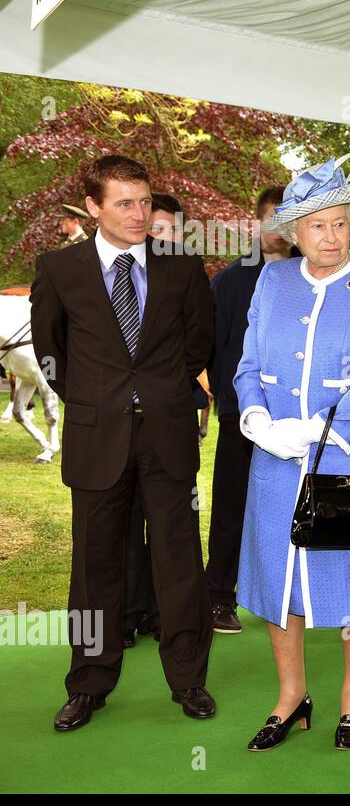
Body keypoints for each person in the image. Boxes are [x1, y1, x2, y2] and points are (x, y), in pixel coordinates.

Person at [31, 154, 216, 731]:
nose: (140, 214)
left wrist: (155, 393)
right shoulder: (59, 270)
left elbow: (198, 346)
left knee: (179, 560)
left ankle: (188, 681)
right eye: (124, 203)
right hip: (96, 438)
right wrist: (97, 402)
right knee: (95, 566)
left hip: (166, 434)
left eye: (144, 201)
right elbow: (50, 352)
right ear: (93, 207)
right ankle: (88, 684)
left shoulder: (182, 268)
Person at [234, 155, 350, 751]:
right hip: (276, 461)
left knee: (349, 576)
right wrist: (256, 418)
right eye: (317, 226)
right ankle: (291, 696)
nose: (330, 237)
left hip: (347, 456)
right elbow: (249, 364)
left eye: (339, 223)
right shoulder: (273, 280)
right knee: (282, 582)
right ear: (293, 231)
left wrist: (317, 426)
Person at [205, 186, 291, 635]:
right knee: (231, 508)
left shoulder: (312, 276)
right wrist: (231, 401)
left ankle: (287, 598)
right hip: (241, 418)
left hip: (298, 422)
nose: (281, 227)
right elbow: (213, 349)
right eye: (273, 218)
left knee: (292, 509)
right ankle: (219, 597)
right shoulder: (230, 281)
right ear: (256, 224)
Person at [121, 192, 189, 649]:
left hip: (168, 425)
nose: (158, 234)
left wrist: (165, 394)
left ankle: (174, 629)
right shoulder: (83, 273)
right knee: (117, 536)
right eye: (154, 227)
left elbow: (197, 344)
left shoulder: (186, 275)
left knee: (173, 540)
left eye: (169, 229)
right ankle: (125, 617)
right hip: (108, 429)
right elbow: (61, 355)